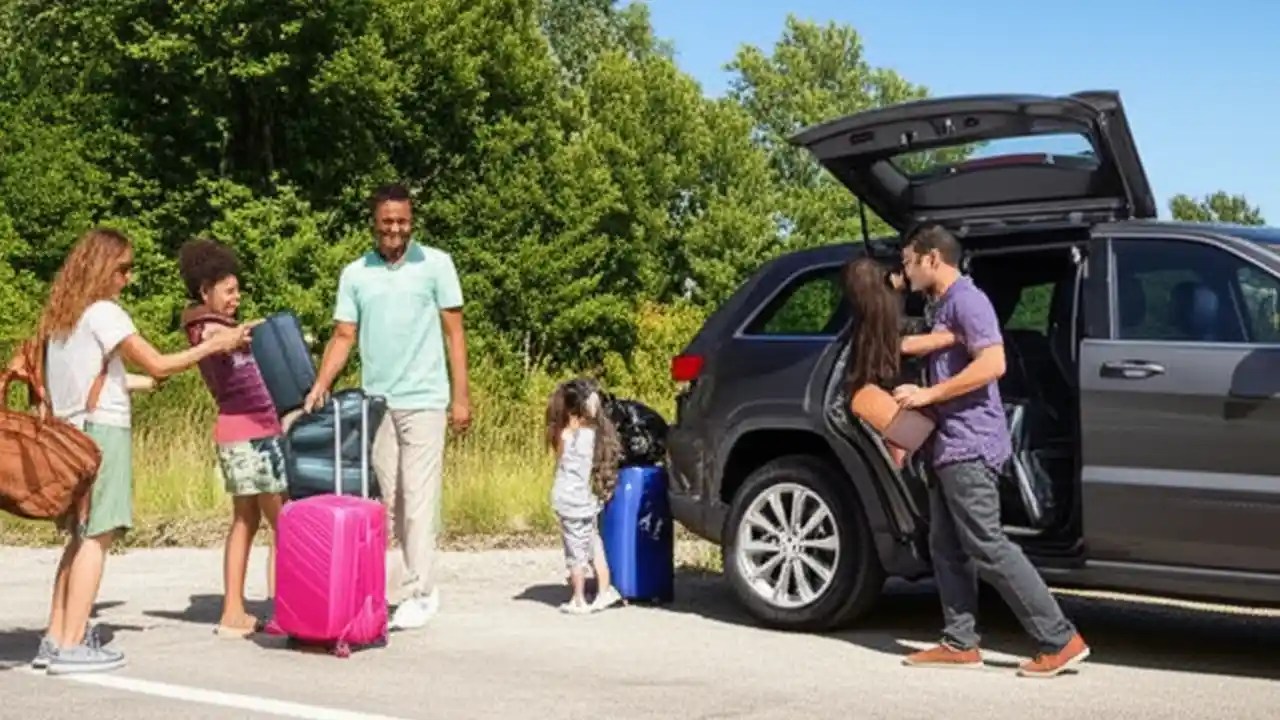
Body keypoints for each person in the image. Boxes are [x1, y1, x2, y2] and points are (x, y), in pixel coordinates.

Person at [29, 228, 255, 675]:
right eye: (122, 269)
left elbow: (81, 381)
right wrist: (215, 344)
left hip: (68, 434)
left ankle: (54, 638)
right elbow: (156, 361)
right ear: (100, 267)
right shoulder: (104, 312)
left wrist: (139, 384)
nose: (128, 278)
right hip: (101, 435)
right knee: (98, 536)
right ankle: (73, 644)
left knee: (79, 537)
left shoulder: (62, 319)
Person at [890, 224, 1089, 678]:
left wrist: (928, 395)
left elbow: (993, 363)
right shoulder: (943, 307)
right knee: (946, 545)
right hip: (947, 444)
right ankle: (960, 642)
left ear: (932, 259)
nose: (907, 271)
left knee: (987, 543)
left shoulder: (968, 300)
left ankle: (1059, 639)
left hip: (970, 442)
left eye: (909, 262)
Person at [304, 183, 472, 631]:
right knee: (390, 501)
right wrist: (321, 383)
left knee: (419, 499)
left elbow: (455, 333)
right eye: (387, 222)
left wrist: (461, 396)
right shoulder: (355, 274)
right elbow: (344, 335)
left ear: (411, 221)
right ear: (374, 224)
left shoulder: (436, 264)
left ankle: (422, 591)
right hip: (377, 403)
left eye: (402, 221)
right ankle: (394, 585)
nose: (395, 229)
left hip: (425, 399)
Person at [178, 238, 288, 639]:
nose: (235, 298)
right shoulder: (208, 329)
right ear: (204, 291)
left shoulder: (216, 327)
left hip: (239, 434)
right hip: (254, 436)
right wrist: (232, 335)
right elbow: (209, 333)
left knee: (246, 519)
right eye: (228, 291)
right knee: (284, 524)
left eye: (238, 290)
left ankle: (233, 612)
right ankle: (285, 608)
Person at [841, 256, 955, 467]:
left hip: (877, 393)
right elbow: (907, 344)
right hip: (887, 397)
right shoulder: (892, 324)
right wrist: (954, 336)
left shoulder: (864, 327)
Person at [544, 379, 623, 614]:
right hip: (587, 501)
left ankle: (578, 598)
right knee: (593, 544)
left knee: (574, 551)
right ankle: (604, 590)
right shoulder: (596, 436)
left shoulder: (564, 436)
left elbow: (560, 459)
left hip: (568, 501)